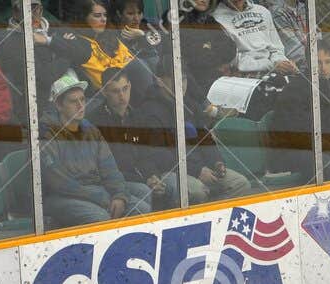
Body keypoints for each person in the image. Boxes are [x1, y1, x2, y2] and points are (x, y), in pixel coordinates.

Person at [92, 67, 250, 206]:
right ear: (104, 92)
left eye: (125, 89)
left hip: (194, 168)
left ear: (131, 87)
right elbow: (157, 155)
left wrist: (216, 162)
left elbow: (204, 138)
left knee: (240, 183)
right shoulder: (145, 112)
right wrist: (152, 176)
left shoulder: (186, 105)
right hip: (165, 171)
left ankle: (212, 221)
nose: (122, 96)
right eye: (115, 91)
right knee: (196, 191)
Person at [41, 72, 153, 228]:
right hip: (59, 197)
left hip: (96, 191)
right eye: (73, 101)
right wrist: (101, 197)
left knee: (142, 209)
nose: (81, 106)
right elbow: (59, 184)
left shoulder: (91, 130)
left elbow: (110, 169)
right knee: (100, 218)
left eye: (82, 99)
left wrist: (119, 195)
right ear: (59, 105)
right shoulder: (45, 135)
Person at [213, 0, 299, 77]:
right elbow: (235, 62)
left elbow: (276, 48)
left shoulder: (262, 11)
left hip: (274, 72)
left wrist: (283, 63)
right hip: (243, 77)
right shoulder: (215, 17)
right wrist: (273, 65)